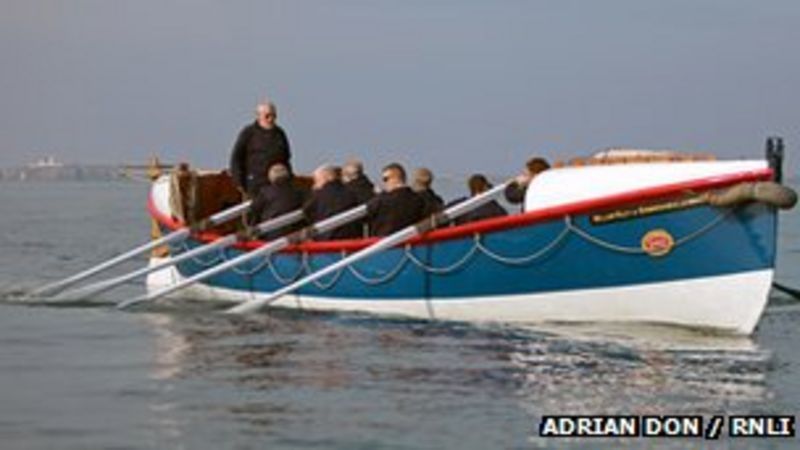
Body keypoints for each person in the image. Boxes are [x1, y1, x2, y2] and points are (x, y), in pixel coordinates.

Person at [229, 100, 292, 197]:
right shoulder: (249, 133)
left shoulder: (280, 134)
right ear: (258, 116)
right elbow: (236, 158)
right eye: (267, 116)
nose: (270, 119)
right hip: (254, 186)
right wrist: (239, 183)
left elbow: (286, 158)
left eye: (273, 116)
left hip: (277, 187)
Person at [302, 164, 362, 240]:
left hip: (326, 243)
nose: (315, 185)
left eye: (316, 181)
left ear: (326, 178)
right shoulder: (352, 193)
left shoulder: (318, 196)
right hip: (351, 242)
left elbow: (306, 212)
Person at [366, 163, 427, 236]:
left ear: (396, 178)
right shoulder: (419, 200)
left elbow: (368, 210)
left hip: (385, 244)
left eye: (385, 179)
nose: (383, 183)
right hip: (411, 243)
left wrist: (379, 195)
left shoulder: (381, 201)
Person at [247, 163, 305, 240]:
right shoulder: (299, 193)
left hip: (270, 234)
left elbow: (253, 211)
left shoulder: (264, 192)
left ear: (270, 177)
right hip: (294, 237)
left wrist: (253, 229)